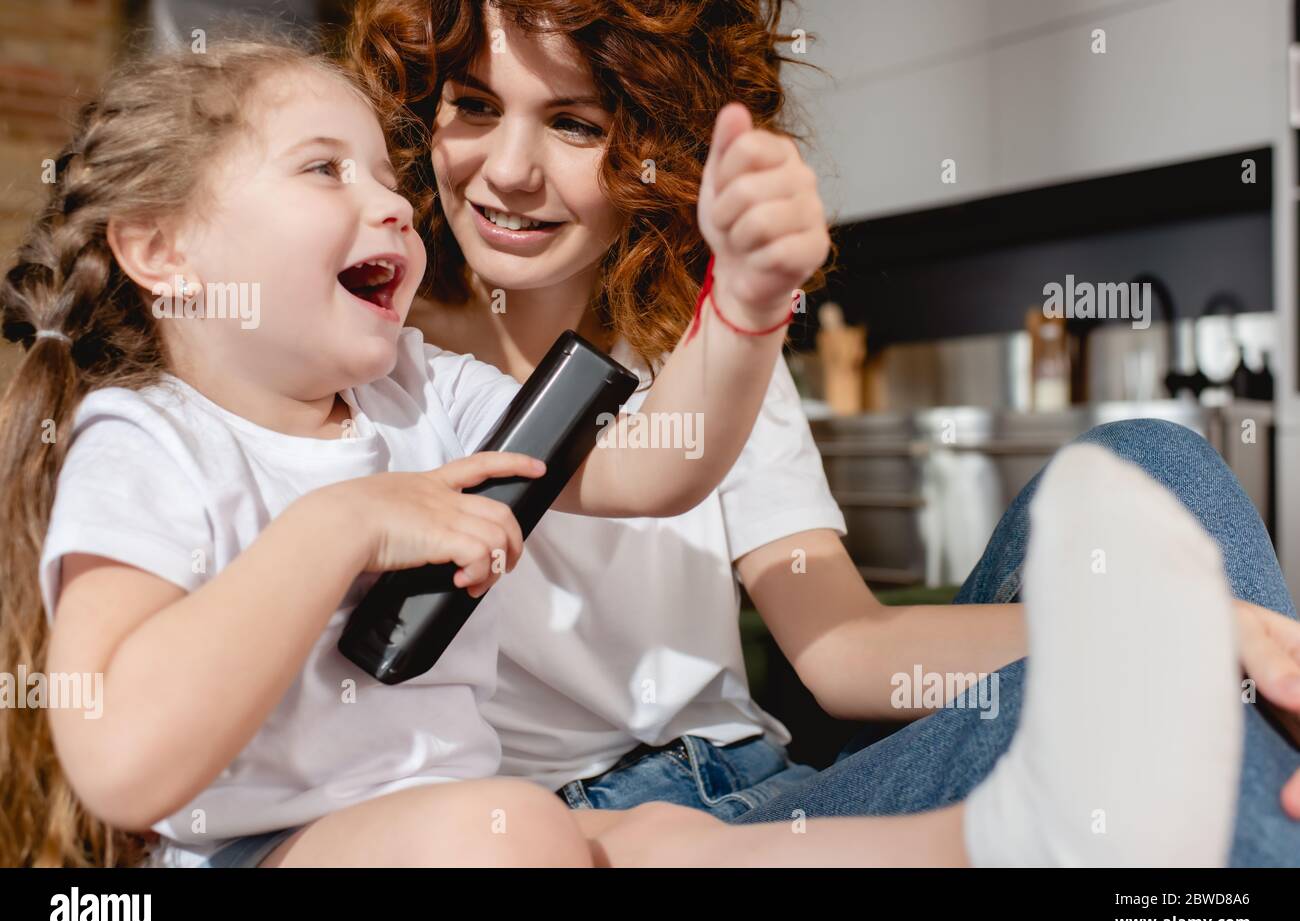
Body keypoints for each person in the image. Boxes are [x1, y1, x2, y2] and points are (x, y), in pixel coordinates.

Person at [347, 0, 1300, 864]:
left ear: (656, 145)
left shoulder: (699, 343)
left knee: (1154, 464)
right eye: (472, 104)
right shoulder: (362, 347)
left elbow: (843, 646)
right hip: (570, 831)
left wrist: (1189, 625)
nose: (506, 170)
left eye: (574, 124)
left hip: (779, 794)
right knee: (1137, 704)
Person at [0, 30, 826, 867]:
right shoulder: (143, 445)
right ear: (160, 250)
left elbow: (647, 469)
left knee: (666, 836)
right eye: (325, 169)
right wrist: (341, 526)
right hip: (256, 852)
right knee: (512, 832)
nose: (396, 205)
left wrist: (745, 299)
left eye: (390, 177)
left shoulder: (420, 391)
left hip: (442, 829)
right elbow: (118, 768)